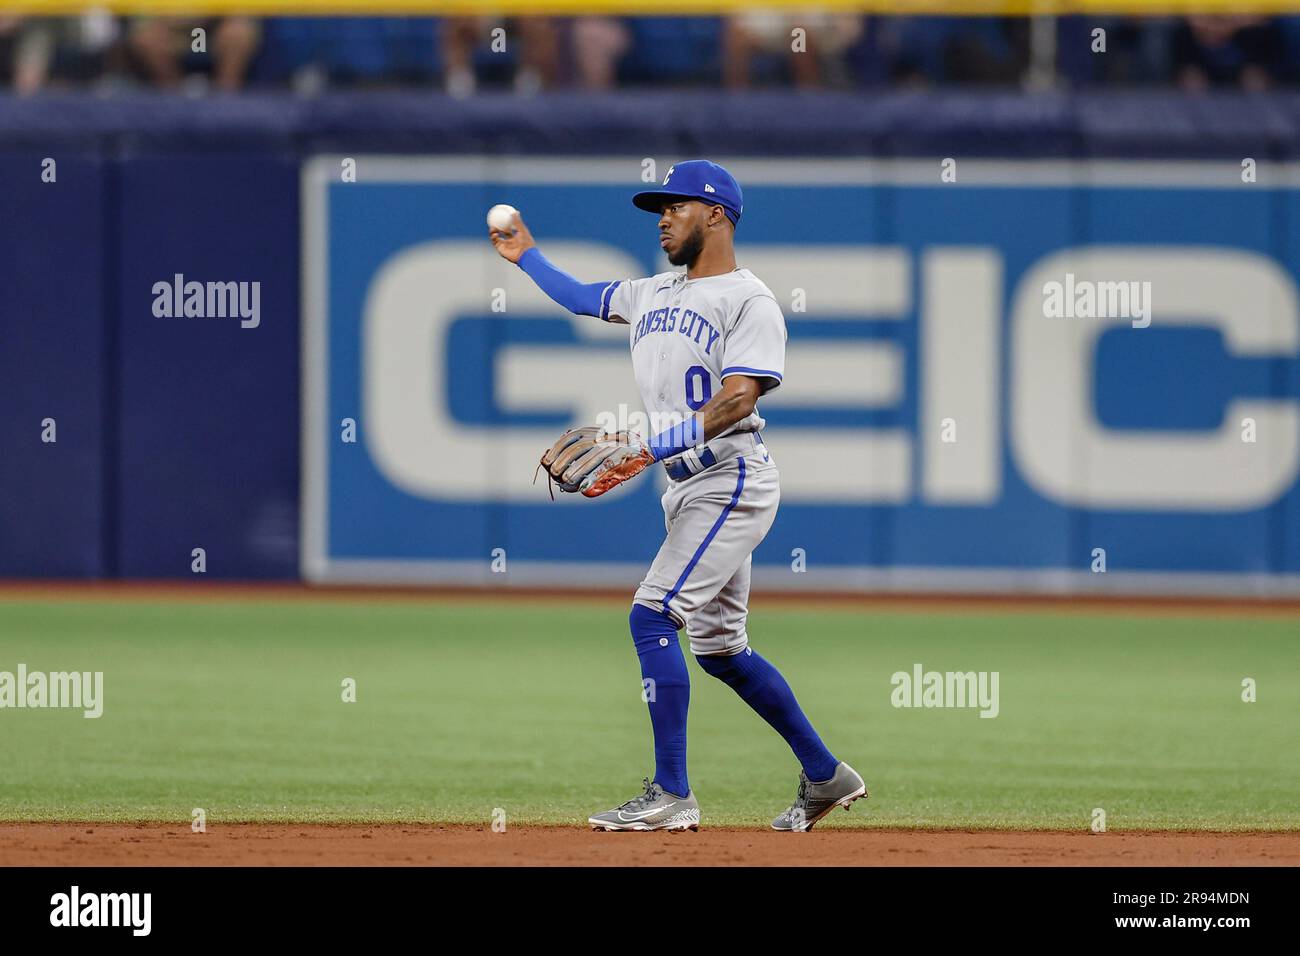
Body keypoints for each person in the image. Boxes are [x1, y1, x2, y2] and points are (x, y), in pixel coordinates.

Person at [489, 160, 867, 831]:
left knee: (651, 615)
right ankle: (825, 774)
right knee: (721, 648)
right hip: (688, 489)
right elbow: (581, 296)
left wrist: (645, 445)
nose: (663, 218)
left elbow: (737, 400)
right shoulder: (652, 294)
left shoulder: (748, 301)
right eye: (659, 208)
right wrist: (527, 256)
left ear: (717, 215)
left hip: (733, 480)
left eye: (677, 206)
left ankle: (671, 794)